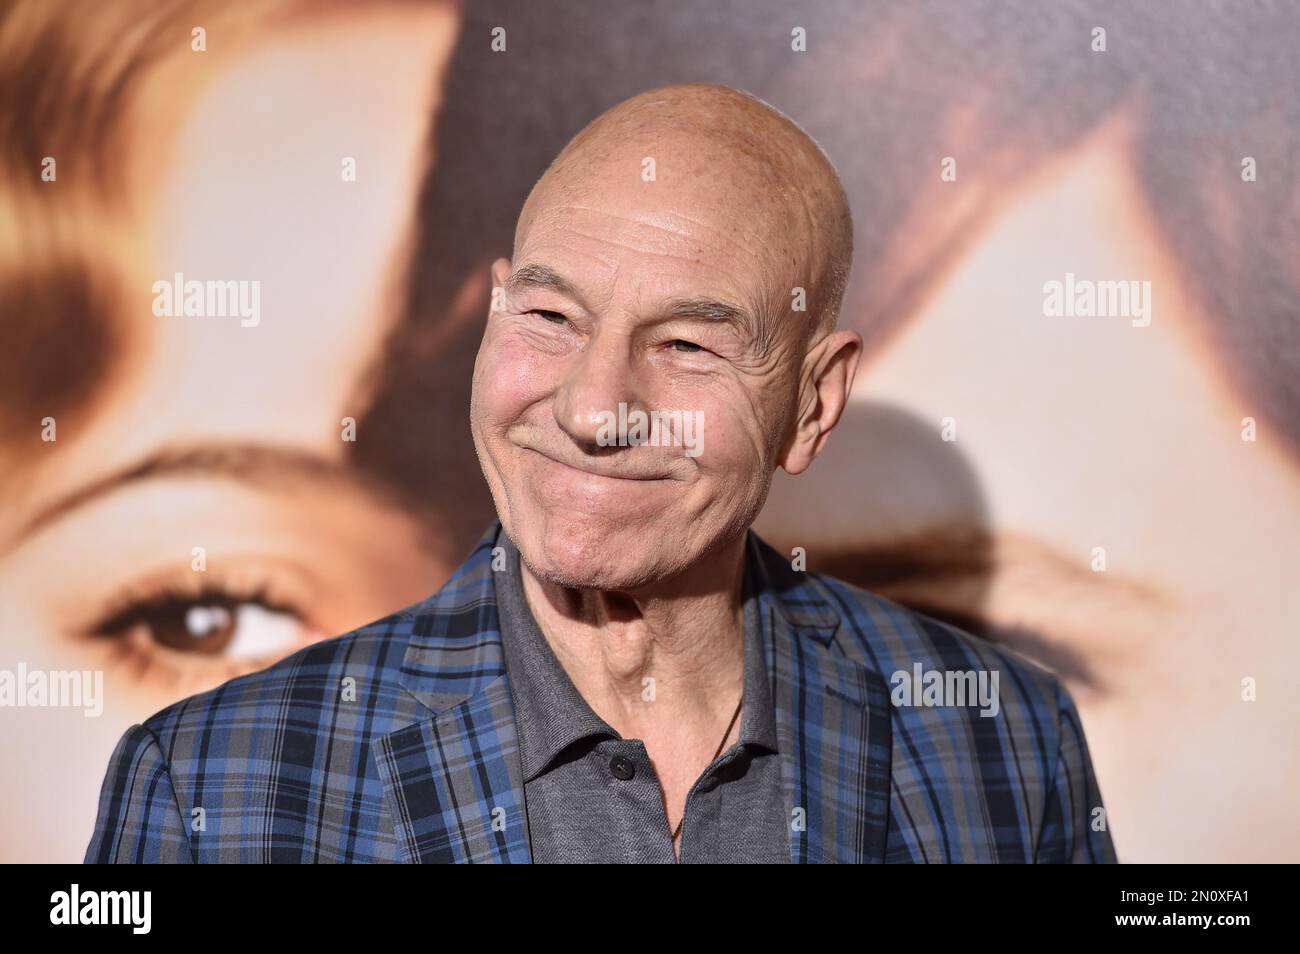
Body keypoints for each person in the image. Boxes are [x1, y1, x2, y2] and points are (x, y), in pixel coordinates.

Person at [85, 83, 1115, 863]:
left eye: (684, 346)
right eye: (549, 318)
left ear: (811, 402)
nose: (590, 409)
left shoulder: (1003, 743)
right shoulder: (215, 784)